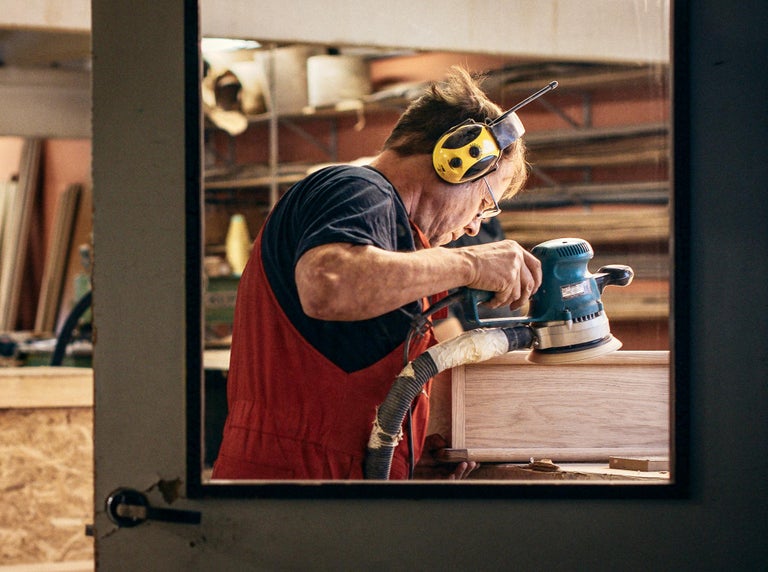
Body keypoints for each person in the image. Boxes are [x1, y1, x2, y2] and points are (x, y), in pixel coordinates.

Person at [211, 66, 542, 481]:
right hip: (295, 486)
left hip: (324, 484)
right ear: (457, 161)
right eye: (486, 199)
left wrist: (408, 455)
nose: (476, 225)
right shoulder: (356, 189)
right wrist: (472, 263)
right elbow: (328, 285)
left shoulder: (399, 243)